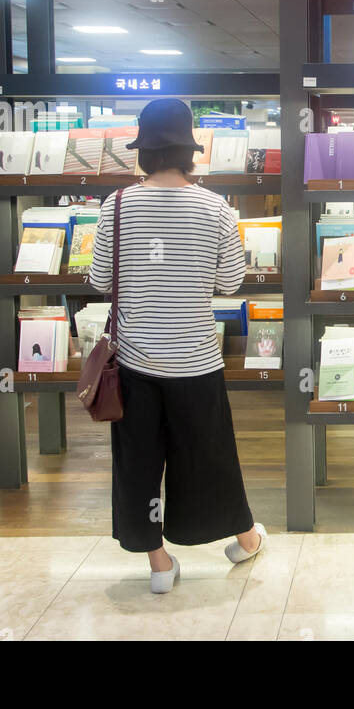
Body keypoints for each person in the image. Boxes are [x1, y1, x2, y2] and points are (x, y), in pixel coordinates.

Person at [88, 98, 265, 594]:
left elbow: (101, 277)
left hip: (135, 362)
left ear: (142, 151)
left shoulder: (117, 204)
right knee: (209, 455)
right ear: (190, 150)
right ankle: (245, 539)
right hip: (195, 360)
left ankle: (159, 565)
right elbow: (230, 282)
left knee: (138, 461)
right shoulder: (215, 207)